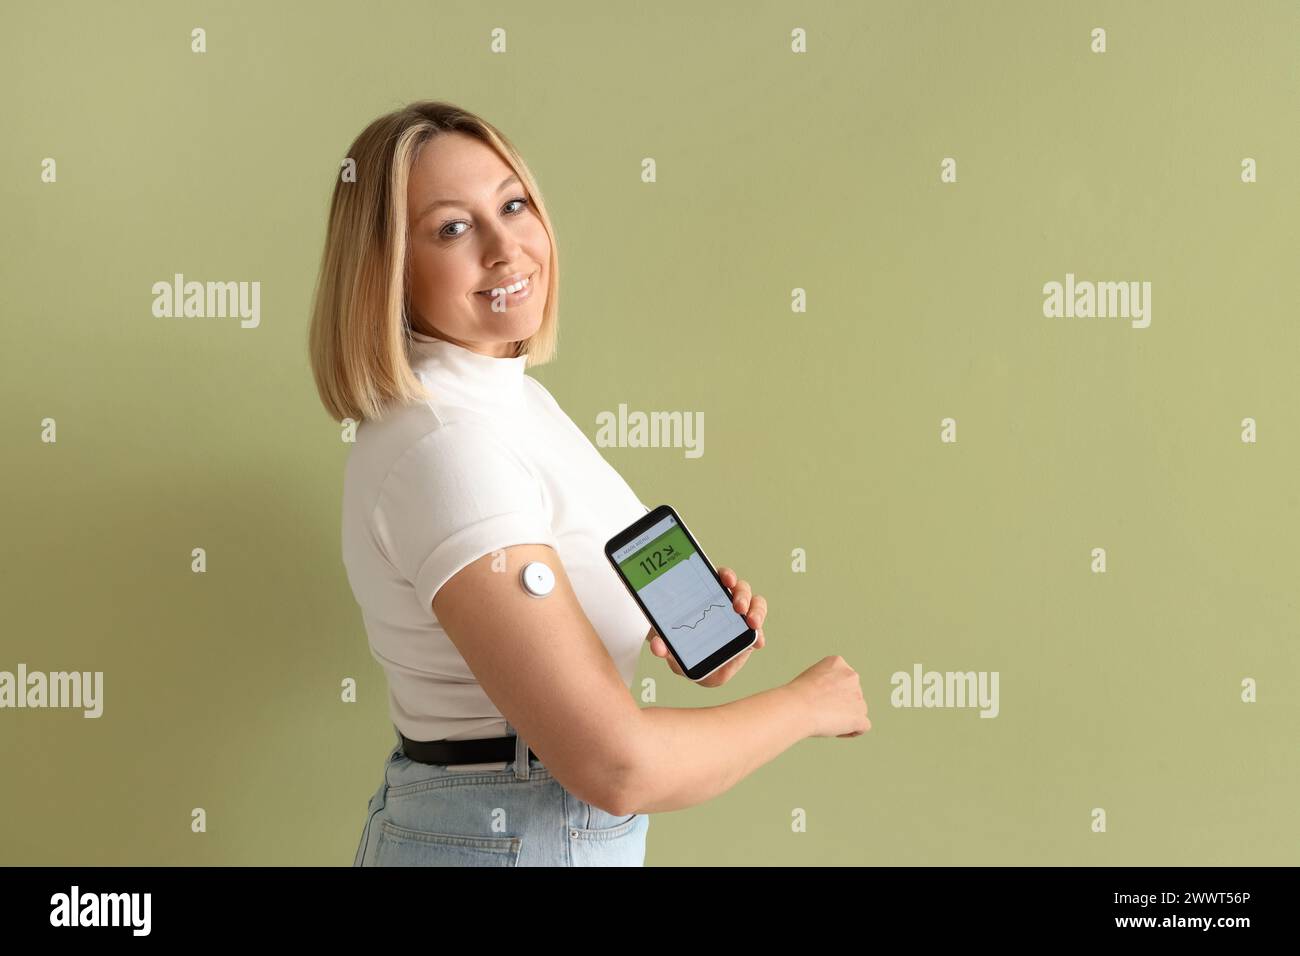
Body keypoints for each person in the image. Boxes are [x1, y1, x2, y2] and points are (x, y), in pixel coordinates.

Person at [306, 100, 870, 866]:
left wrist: (681, 633)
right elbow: (617, 764)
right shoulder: (447, 449)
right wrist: (806, 706)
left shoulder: (512, 399)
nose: (506, 248)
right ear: (388, 271)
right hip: (508, 833)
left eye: (512, 204)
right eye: (452, 227)